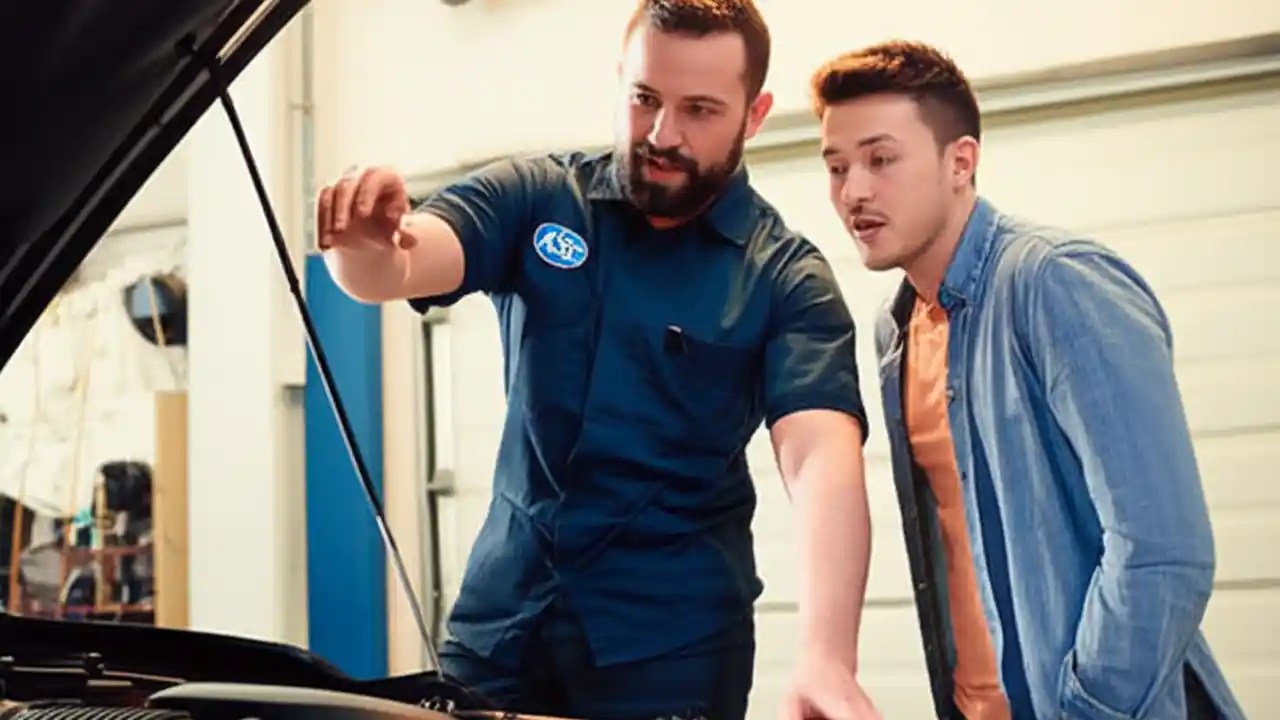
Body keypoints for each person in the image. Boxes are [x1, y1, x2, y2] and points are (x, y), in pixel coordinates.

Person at [317, 2, 881, 719]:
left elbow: (820, 460)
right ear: (621, 80)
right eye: (645, 98)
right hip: (500, 626)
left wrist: (827, 656)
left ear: (755, 113)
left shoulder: (784, 276)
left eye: (701, 110)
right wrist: (359, 247)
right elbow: (396, 267)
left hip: (670, 651)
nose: (662, 135)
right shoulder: (539, 198)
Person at [808, 40, 1246, 720]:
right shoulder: (895, 330)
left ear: (961, 161)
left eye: (881, 158)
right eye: (836, 166)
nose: (853, 189)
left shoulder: (1055, 282)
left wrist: (1086, 705)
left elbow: (1163, 552)